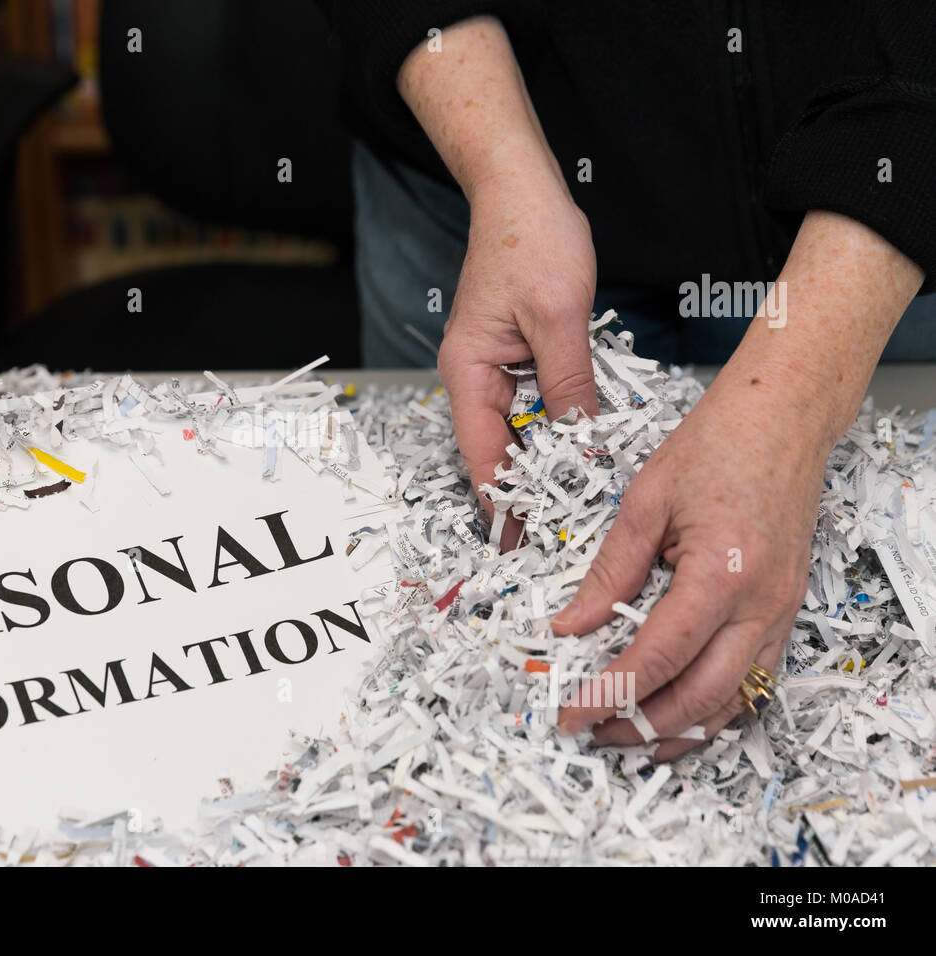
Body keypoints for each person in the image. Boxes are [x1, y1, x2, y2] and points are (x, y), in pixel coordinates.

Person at [317, 4, 935, 758]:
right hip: (478, 161)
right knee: (413, 555)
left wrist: (794, 401)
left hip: (885, 211)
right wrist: (503, 172)